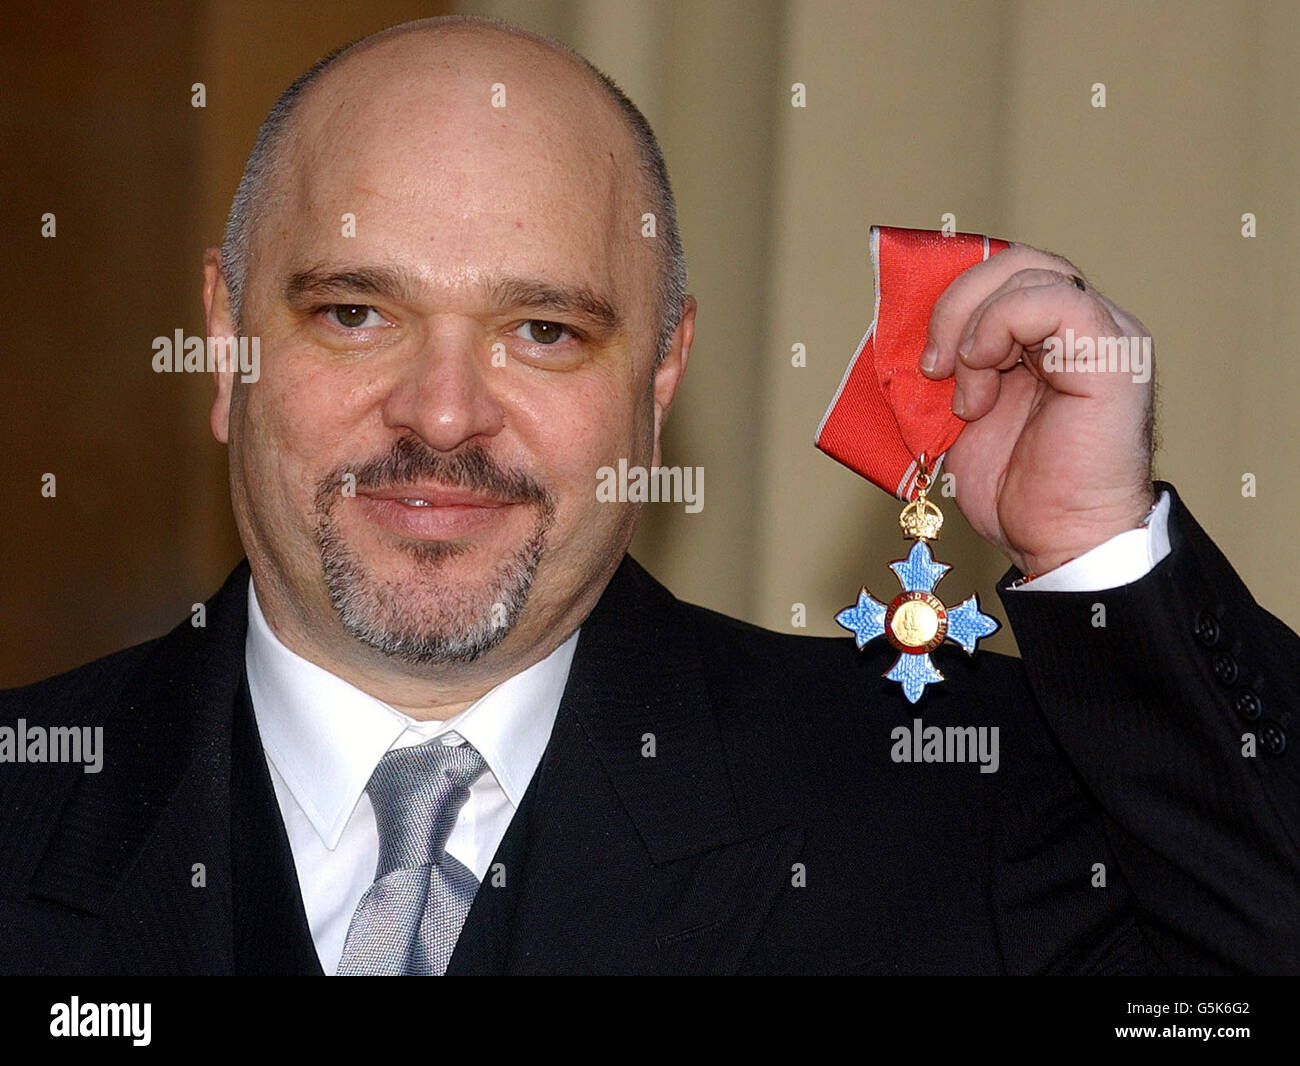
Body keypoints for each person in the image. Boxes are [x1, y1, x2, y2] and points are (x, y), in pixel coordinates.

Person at [1, 15, 1296, 976]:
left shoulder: (960, 803)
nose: (443, 412)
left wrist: (1100, 555)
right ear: (228, 339)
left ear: (662, 372)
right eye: (355, 310)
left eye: (546, 330)